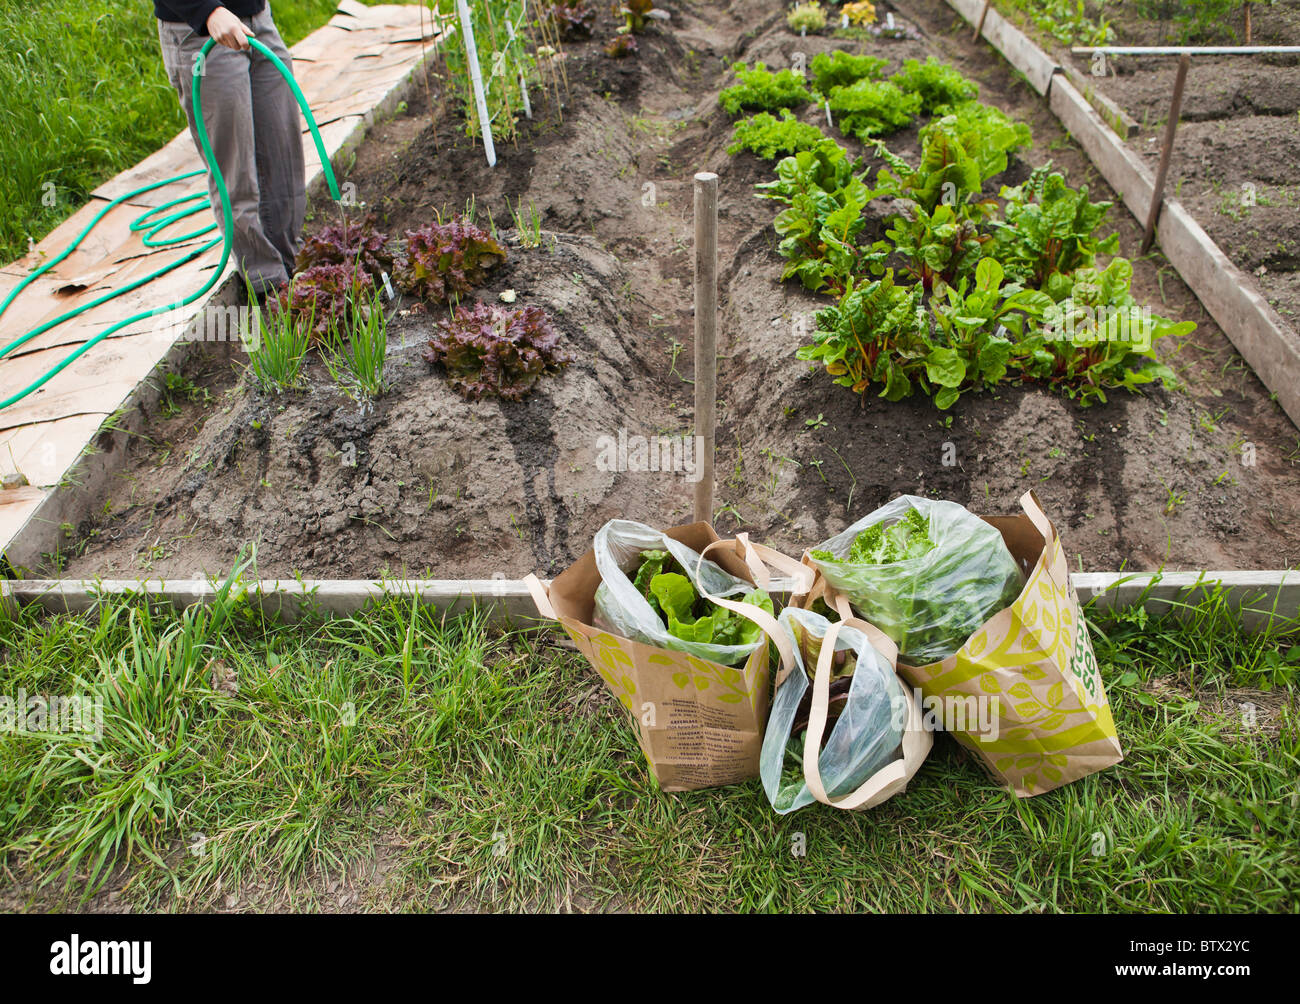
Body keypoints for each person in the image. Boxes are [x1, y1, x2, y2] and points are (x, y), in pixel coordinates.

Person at [154, 1, 306, 299]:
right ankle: (268, 285)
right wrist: (206, 10)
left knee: (282, 154)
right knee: (235, 167)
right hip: (201, 30)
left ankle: (293, 267)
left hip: (257, 18)